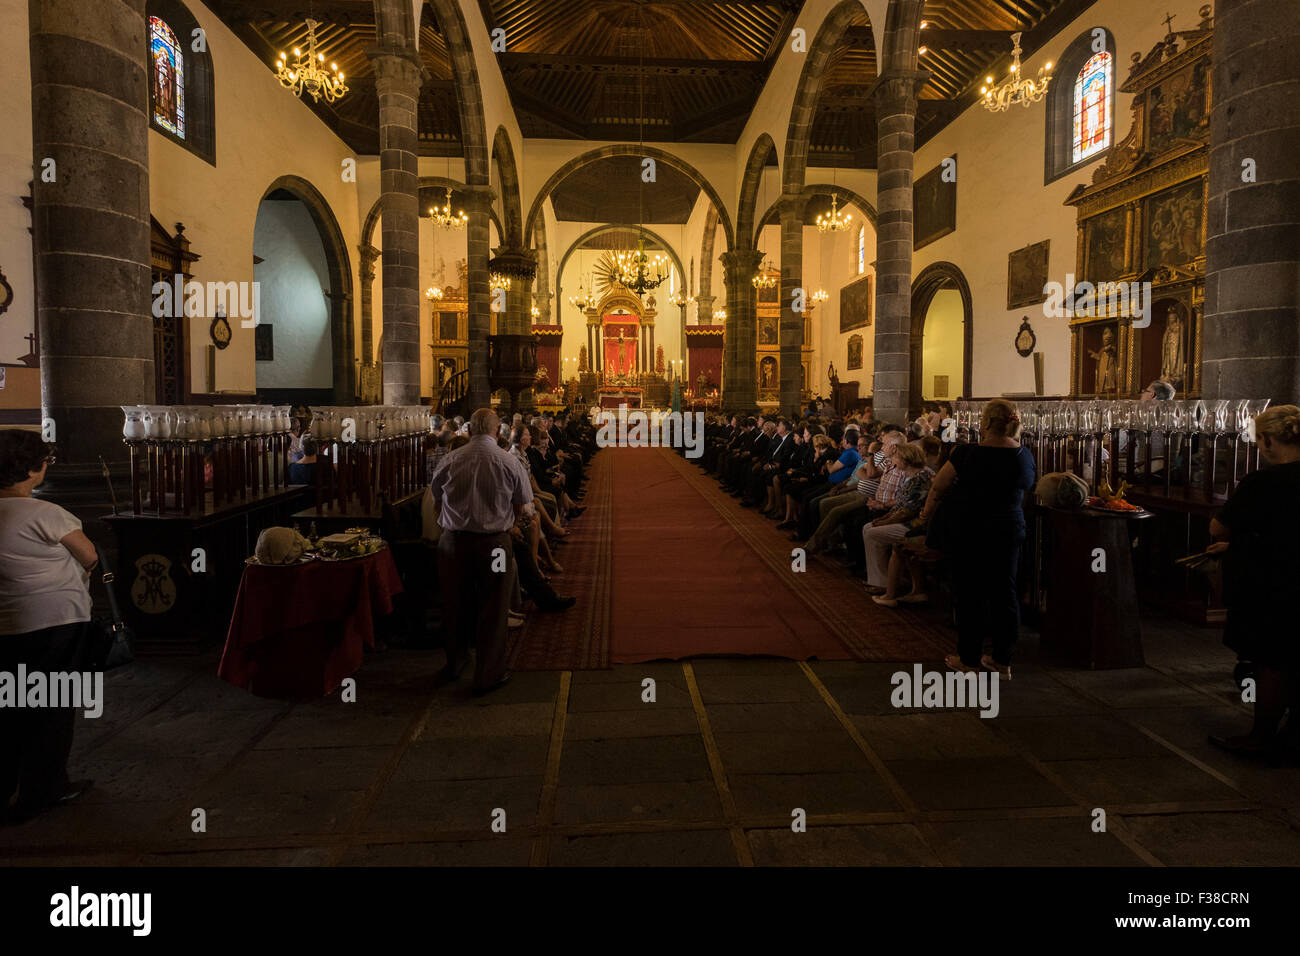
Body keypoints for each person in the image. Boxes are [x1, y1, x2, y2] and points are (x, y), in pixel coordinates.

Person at [0, 429, 97, 823]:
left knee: (10, 704)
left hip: (6, 624)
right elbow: (89, 555)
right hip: (56, 621)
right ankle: (45, 787)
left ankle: (6, 784)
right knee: (53, 705)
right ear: (32, 469)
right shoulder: (46, 513)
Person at [1206, 405, 1300, 760]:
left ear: (1268, 440)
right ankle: (1294, 737)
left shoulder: (1263, 482)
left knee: (1271, 660)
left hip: (1272, 583)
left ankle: (1261, 737)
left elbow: (1220, 525)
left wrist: (1231, 539)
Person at [917, 399, 1036, 679]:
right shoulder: (1024, 456)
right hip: (1008, 527)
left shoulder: (968, 453)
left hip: (970, 528)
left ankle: (969, 658)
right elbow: (1026, 488)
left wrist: (925, 516)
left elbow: (939, 486)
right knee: (1004, 593)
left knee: (969, 593)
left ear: (984, 423)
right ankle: (1002, 661)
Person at [428, 408, 533, 697]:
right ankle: (488, 674)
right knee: (493, 606)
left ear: (471, 429)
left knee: (454, 604)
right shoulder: (508, 462)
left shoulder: (450, 459)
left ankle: (456, 662)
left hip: (453, 543)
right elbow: (524, 504)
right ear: (497, 429)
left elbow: (436, 498)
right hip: (494, 544)